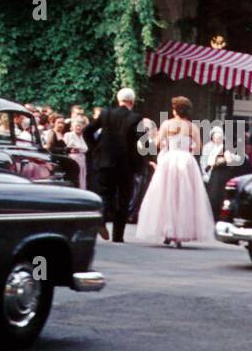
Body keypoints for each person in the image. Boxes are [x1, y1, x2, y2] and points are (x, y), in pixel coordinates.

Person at [135, 96, 216, 248]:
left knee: (166, 195)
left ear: (175, 110)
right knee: (184, 197)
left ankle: (168, 231)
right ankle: (179, 234)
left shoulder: (167, 124)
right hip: (186, 160)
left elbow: (157, 144)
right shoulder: (193, 127)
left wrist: (164, 143)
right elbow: (198, 148)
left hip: (170, 159)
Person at [84, 87, 144, 243]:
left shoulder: (106, 114)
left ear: (118, 100)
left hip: (105, 161)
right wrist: (144, 160)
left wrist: (95, 148)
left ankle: (102, 220)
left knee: (105, 193)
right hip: (125, 165)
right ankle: (118, 235)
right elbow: (143, 143)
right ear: (132, 102)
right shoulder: (136, 118)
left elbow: (87, 131)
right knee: (123, 198)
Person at [64, 115, 89, 190]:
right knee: (74, 176)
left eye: (80, 126)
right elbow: (65, 147)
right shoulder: (68, 135)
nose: (78, 128)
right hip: (72, 158)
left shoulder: (83, 136)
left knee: (82, 176)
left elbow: (86, 149)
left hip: (82, 158)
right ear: (72, 126)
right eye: (76, 126)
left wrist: (79, 148)